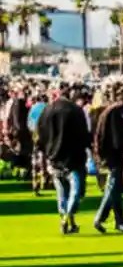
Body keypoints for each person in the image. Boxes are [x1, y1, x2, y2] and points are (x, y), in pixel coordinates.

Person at [37, 87, 92, 234]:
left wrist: (45, 152)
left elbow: (41, 134)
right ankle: (68, 215)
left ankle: (65, 217)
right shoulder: (76, 111)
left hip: (54, 157)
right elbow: (84, 134)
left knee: (61, 191)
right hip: (74, 157)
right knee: (76, 190)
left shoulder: (47, 111)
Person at [92, 86, 123, 232]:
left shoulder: (108, 111)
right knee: (113, 186)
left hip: (109, 154)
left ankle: (120, 220)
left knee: (115, 188)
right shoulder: (116, 113)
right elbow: (117, 138)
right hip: (114, 155)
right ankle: (100, 217)